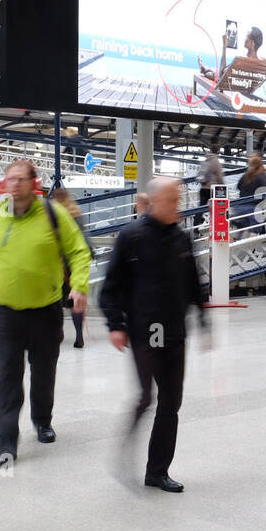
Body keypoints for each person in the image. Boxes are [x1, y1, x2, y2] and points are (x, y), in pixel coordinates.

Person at [0, 160, 91, 467]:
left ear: (34, 183)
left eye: (21, 179)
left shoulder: (53, 213)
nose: (15, 184)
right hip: (4, 313)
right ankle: (7, 442)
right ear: (4, 183)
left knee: (44, 370)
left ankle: (42, 420)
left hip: (45, 310)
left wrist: (79, 286)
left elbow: (78, 251)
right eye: (11, 179)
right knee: (8, 374)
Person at [99, 177, 208, 493]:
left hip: (175, 334)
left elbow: (193, 284)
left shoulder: (182, 239)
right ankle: (125, 450)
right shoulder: (131, 237)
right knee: (147, 397)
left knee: (171, 402)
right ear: (155, 201)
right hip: (144, 332)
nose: (178, 206)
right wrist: (115, 326)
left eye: (179, 200)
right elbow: (110, 289)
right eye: (172, 200)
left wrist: (203, 321)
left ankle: (157, 471)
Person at [48, 188, 90, 349]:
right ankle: (79, 336)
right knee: (75, 302)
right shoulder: (77, 213)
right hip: (74, 265)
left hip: (58, 264)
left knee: (56, 300)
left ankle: (57, 333)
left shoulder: (54, 215)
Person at [232, 152, 266, 235]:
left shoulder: (246, 175)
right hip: (254, 209)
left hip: (240, 207)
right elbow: (264, 191)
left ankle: (239, 246)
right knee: (253, 234)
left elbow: (238, 186)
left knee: (241, 233)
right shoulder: (261, 176)